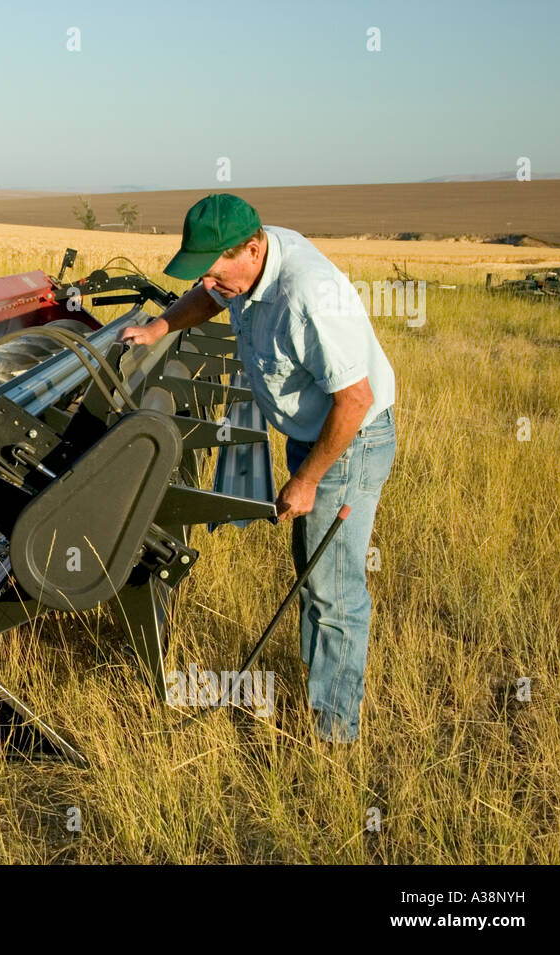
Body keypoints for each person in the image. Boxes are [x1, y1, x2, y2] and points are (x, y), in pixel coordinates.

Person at [120, 193, 396, 742]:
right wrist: (159, 328)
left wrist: (308, 478)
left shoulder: (307, 295)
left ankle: (334, 735)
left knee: (334, 591)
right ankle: (325, 701)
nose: (212, 285)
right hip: (312, 434)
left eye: (217, 273)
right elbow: (208, 299)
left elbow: (356, 400)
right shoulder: (248, 263)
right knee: (316, 577)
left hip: (347, 442)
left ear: (250, 249)